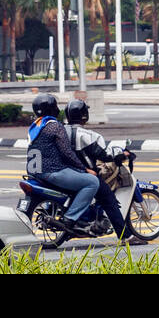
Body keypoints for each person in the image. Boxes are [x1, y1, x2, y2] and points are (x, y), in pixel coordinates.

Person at [63, 98, 145, 245]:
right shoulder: (88, 135)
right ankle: (126, 237)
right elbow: (104, 155)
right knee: (109, 200)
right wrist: (121, 155)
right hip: (86, 174)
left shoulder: (60, 130)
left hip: (65, 173)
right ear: (84, 115)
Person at [27, 93, 102, 236]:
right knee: (92, 182)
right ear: (51, 109)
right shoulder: (54, 126)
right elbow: (67, 153)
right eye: (55, 106)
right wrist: (85, 169)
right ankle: (71, 218)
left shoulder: (35, 126)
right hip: (52, 171)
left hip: (35, 172)